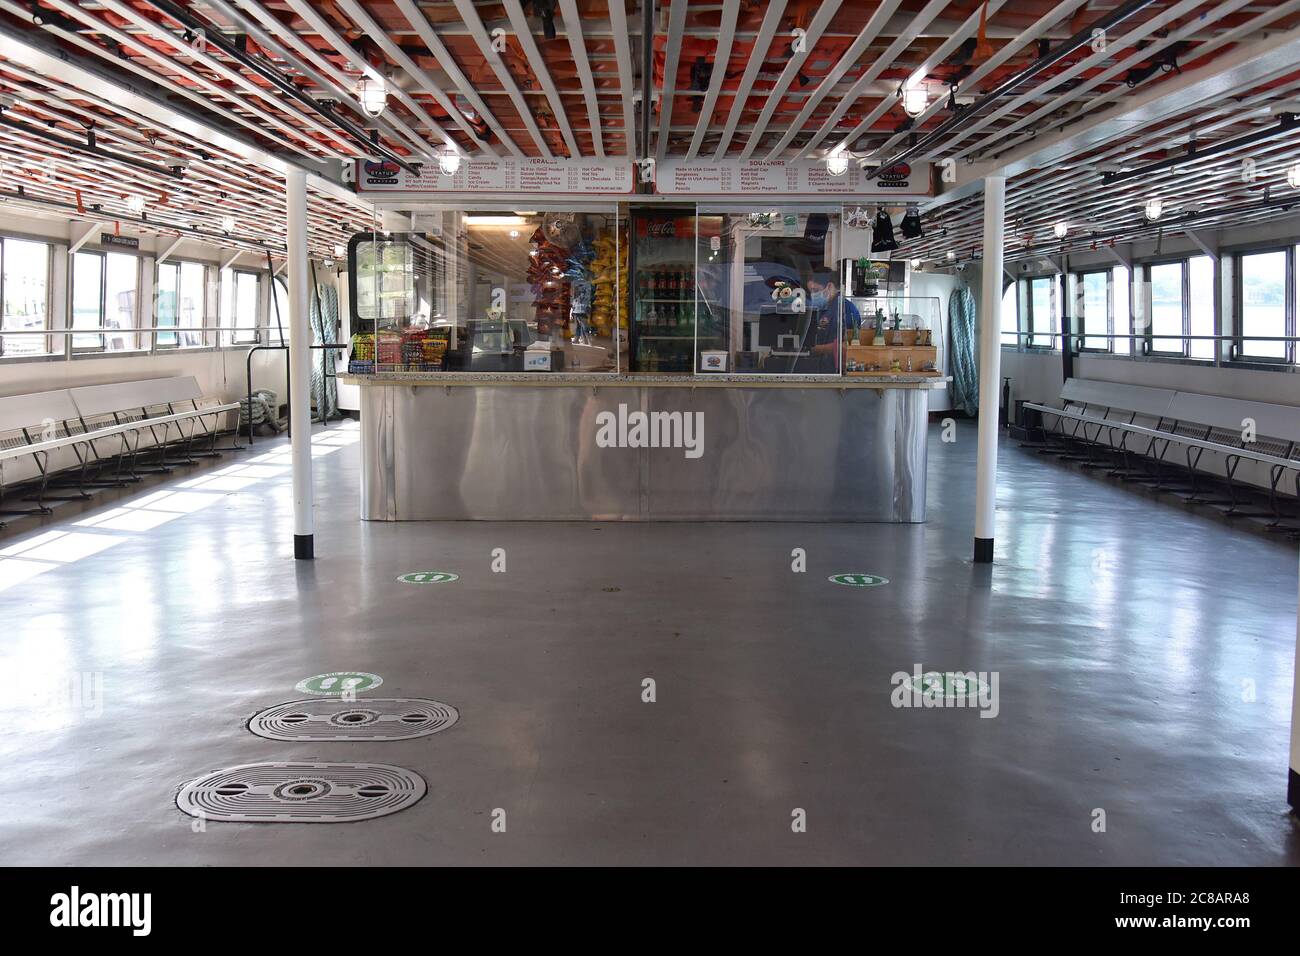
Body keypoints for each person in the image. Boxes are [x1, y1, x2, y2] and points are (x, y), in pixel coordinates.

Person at [804, 271, 861, 371]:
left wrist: (811, 349)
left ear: (829, 286)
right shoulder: (823, 308)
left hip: (837, 369)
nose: (813, 295)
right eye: (810, 291)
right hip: (820, 367)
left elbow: (846, 345)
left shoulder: (844, 308)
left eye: (815, 290)